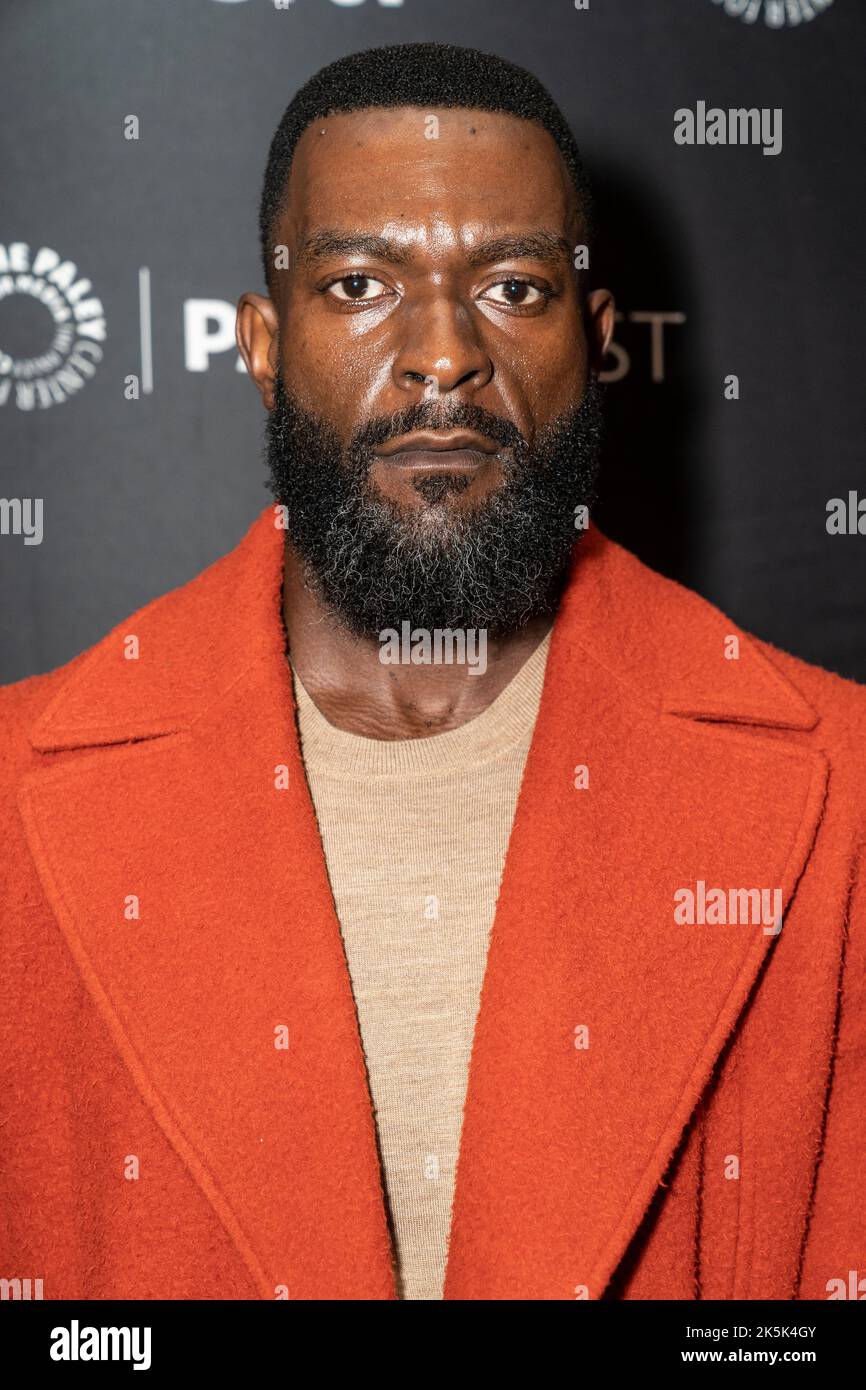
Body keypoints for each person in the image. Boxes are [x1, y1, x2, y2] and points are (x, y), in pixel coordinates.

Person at [1, 42, 864, 1302]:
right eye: (358, 281)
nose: (442, 353)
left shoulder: (837, 791)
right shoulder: (19, 797)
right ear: (258, 345)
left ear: (599, 342)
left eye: (513, 287)